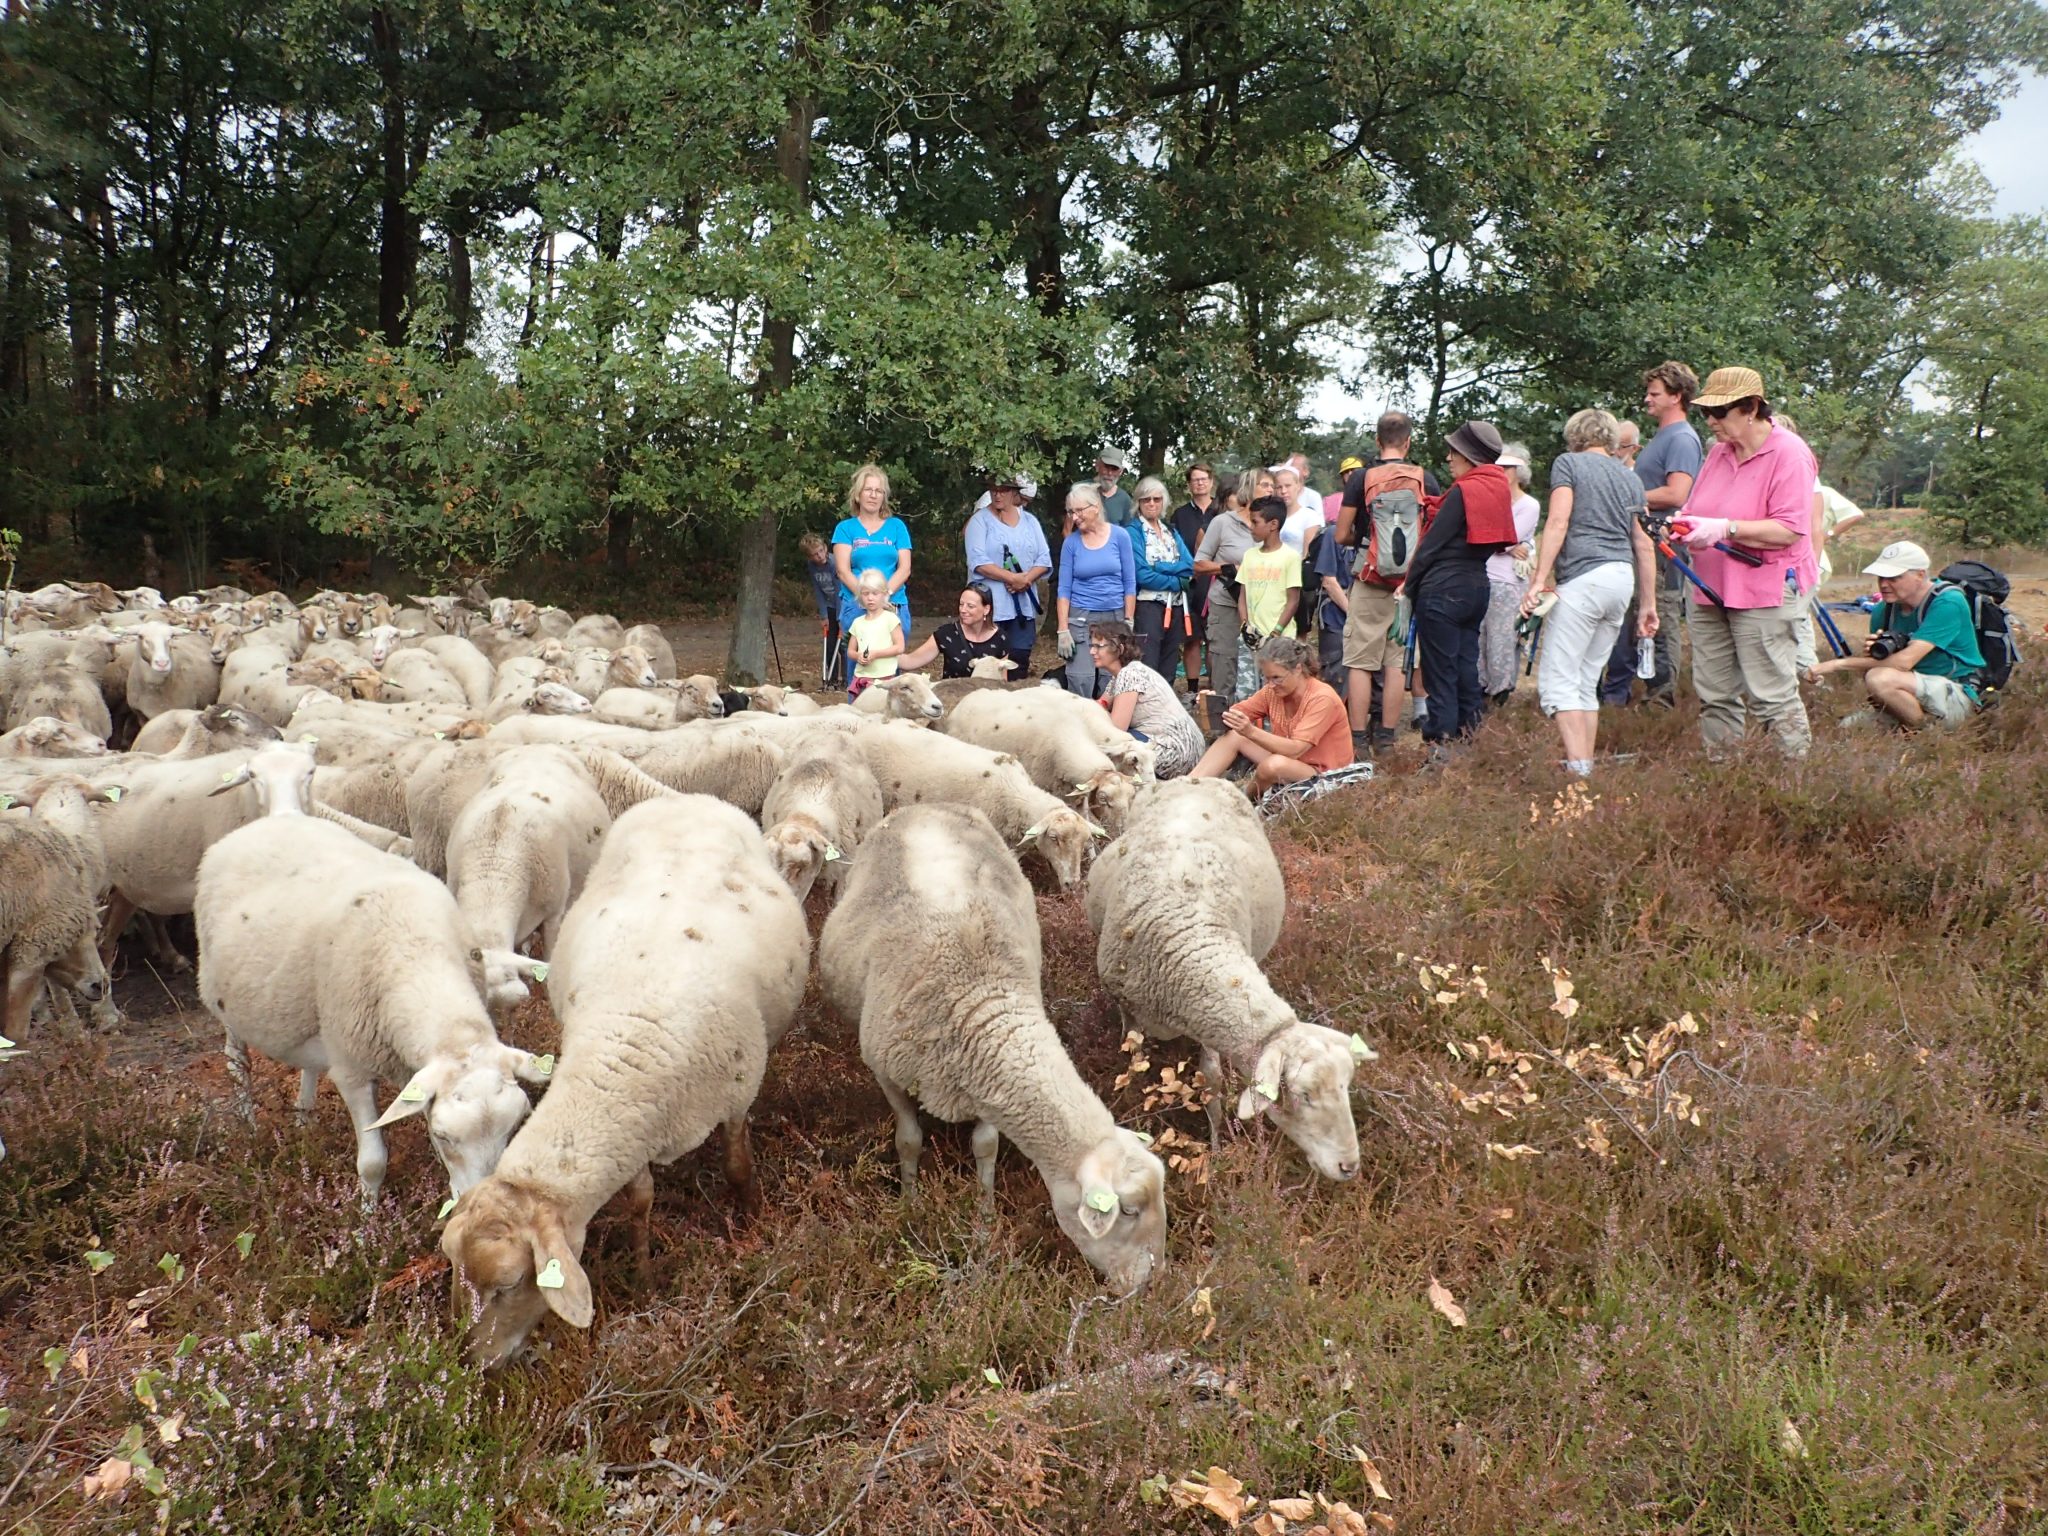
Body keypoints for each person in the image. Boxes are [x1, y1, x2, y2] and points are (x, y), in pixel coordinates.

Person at [1669, 366, 1819, 759]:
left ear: (1751, 408)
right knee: (1715, 693)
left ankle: (1798, 780)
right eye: (1706, 413)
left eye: (1720, 412)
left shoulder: (1789, 454)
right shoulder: (1719, 454)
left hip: (1763, 590)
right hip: (1708, 588)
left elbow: (1790, 529)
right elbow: (1697, 507)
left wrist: (1725, 528)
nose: (1711, 422)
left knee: (1771, 695)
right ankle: (1727, 777)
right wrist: (1684, 525)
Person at [1520, 410, 1658, 777]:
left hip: (1584, 579)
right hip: (1620, 580)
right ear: (1611, 440)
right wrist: (1648, 604)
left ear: (1574, 436)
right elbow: (1643, 544)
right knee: (1585, 682)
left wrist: (1538, 578)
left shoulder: (1568, 464)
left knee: (1557, 682)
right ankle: (1586, 767)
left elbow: (1559, 520)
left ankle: (1580, 775)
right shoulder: (1631, 479)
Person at [1404, 420, 1517, 756]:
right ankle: (1470, 741)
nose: (1449, 457)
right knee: (1467, 667)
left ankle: (1441, 746)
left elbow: (1430, 547)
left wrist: (1408, 586)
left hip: (1442, 590)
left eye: (1454, 451)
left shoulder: (1463, 492)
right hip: (1477, 587)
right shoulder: (1496, 488)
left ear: (1468, 456)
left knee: (1440, 672)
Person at [1335, 411, 1441, 756]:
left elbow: (1340, 534)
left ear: (1377, 441)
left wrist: (1364, 543)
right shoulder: (1427, 478)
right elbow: (1433, 532)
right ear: (1408, 441)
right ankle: (1387, 739)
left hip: (1369, 577)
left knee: (1360, 662)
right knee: (1397, 663)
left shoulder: (1361, 478)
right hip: (1407, 584)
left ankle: (1357, 739)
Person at [1603, 361, 1704, 706]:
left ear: (1677, 396)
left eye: (1654, 393)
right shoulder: (1664, 436)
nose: (1647, 399)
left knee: (1659, 617)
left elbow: (1678, 494)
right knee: (1640, 618)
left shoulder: (1682, 438)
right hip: (1646, 542)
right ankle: (1636, 694)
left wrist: (1626, 497)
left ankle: (1662, 700)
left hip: (1664, 546)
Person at [1806, 541, 1984, 729]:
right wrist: (1874, 653)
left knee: (1880, 678)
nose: (1884, 585)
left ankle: (1925, 736)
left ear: (1920, 575)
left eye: (1894, 578)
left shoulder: (1948, 602)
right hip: (1911, 691)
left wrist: (1838, 664)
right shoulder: (1884, 609)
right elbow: (1880, 665)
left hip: (1955, 692)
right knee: (1846, 728)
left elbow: (1902, 663)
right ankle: (1913, 726)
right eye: (1880, 577)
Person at [1187, 634, 1353, 795]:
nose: (1271, 684)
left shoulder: (1322, 698)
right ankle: (1187, 786)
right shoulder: (1272, 691)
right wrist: (1208, 706)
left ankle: (1246, 800)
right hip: (1293, 762)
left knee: (1273, 765)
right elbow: (1232, 719)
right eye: (1267, 678)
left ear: (1298, 669)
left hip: (1325, 773)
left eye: (1277, 678)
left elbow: (1296, 749)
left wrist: (1251, 731)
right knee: (1235, 736)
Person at [1091, 619, 1205, 778]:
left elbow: (1116, 730)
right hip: (1190, 750)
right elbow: (1100, 704)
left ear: (1119, 649)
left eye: (1098, 646)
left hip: (1174, 752)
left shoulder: (1129, 674)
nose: (1092, 652)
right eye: (1092, 646)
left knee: (1107, 745)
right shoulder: (1124, 673)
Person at [964, 471, 1053, 675]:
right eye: (994, 490)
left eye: (1003, 490)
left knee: (1019, 659)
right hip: (990, 605)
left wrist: (1026, 580)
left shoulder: (1030, 522)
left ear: (1015, 494)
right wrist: (1012, 578)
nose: (997, 495)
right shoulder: (979, 521)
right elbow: (977, 561)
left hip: (1023, 607)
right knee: (988, 662)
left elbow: (1044, 558)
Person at [832, 464, 912, 688]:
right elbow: (842, 570)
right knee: (859, 668)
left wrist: (882, 597)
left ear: (884, 496)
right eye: (868, 489)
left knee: (890, 668)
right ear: (858, 494)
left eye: (878, 491)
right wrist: (867, 597)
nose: (873, 495)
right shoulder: (845, 529)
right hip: (856, 605)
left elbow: (904, 568)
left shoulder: (897, 527)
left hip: (893, 604)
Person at [1056, 484, 1137, 695]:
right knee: (1081, 677)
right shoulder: (1071, 544)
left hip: (1114, 615)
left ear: (1096, 507)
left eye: (1079, 511)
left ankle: (1111, 722)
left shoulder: (1120, 536)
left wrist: (1128, 620)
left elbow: (1130, 582)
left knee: (1111, 676)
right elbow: (1063, 590)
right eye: (1071, 512)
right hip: (1081, 618)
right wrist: (1063, 629)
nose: (1074, 517)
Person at [1478, 443, 1541, 704]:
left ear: (1518, 471)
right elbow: (1482, 537)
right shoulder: (1488, 501)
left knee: (1503, 639)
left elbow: (1505, 538)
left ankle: (1500, 693)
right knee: (1481, 640)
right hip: (1483, 576)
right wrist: (1507, 544)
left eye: (1506, 467)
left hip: (1508, 582)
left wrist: (1513, 544)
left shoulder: (1529, 505)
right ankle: (1480, 692)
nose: (1500, 471)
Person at [1193, 478, 1262, 701]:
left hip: (1262, 606)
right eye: (1266, 485)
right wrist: (1229, 568)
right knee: (1225, 669)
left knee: (1261, 670)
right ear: (1250, 490)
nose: (1272, 490)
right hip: (1226, 604)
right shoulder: (1222, 522)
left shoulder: (1275, 524)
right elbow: (1199, 564)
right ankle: (1220, 731)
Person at [1794, 480, 1867, 671]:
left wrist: (1827, 533)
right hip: (1798, 562)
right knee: (1800, 616)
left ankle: (1807, 670)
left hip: (1811, 562)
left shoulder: (1822, 492)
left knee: (1796, 617)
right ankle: (1808, 668)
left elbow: (1856, 514)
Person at [1234, 496, 1302, 699]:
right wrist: (1245, 626)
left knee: (1275, 693)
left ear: (1273, 525)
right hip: (1250, 640)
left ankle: (1273, 731)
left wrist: (1275, 633)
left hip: (1278, 641)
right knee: (1246, 693)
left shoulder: (1290, 557)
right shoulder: (1250, 555)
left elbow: (1293, 600)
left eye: (1255, 522)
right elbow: (1242, 596)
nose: (1250, 526)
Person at [1129, 476, 1194, 677]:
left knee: (1170, 660)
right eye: (1146, 499)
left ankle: (1165, 706)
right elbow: (1142, 575)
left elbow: (1190, 565)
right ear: (1138, 502)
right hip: (1148, 606)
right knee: (1148, 661)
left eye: (1157, 499)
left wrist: (1158, 566)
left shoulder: (1170, 530)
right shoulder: (1133, 531)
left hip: (1175, 606)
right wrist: (1177, 581)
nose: (1151, 504)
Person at [899, 583, 1014, 678]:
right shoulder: (947, 634)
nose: (963, 610)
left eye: (970, 606)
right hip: (952, 700)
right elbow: (910, 661)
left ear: (986, 609)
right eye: (961, 604)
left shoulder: (1001, 638)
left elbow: (1003, 680)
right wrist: (884, 651)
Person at [1173, 463, 1220, 687]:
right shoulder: (1180, 515)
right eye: (1195, 479)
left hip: (1216, 581)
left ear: (1211, 482)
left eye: (1204, 479)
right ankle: (1192, 688)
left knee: (1214, 638)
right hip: (1191, 583)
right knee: (1192, 638)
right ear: (1189, 484)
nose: (1200, 483)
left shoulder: (1221, 511)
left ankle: (1214, 686)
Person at [1310, 493, 1356, 685]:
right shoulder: (1332, 534)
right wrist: (1353, 613)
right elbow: (1328, 581)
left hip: (1357, 613)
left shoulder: (1366, 534)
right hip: (1335, 616)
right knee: (1335, 673)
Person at [846, 570, 905, 698]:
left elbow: (900, 647)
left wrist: (876, 654)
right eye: (866, 594)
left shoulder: (891, 619)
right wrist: (858, 656)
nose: (870, 598)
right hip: (861, 678)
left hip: (884, 678)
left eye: (875, 593)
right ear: (860, 596)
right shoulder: (857, 622)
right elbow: (850, 651)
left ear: (884, 594)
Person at [799, 531, 842, 680]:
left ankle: (848, 679)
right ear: (809, 557)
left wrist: (840, 617)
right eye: (815, 554)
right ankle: (832, 678)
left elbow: (838, 590)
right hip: (830, 606)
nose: (820, 556)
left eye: (821, 551)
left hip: (843, 605)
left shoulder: (834, 563)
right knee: (829, 645)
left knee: (843, 643)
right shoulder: (812, 566)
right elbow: (818, 590)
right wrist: (824, 615)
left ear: (825, 548)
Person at [1089, 448, 1135, 529]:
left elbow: (1127, 533)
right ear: (1097, 466)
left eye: (1114, 469)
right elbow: (1067, 530)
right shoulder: (1081, 489)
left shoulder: (1124, 499)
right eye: (1106, 467)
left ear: (1120, 471)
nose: (1110, 473)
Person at [1324, 456, 1363, 525]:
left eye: (1354, 470)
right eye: (1346, 471)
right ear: (1342, 477)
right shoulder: (1331, 500)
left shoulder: (1371, 496)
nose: (1350, 473)